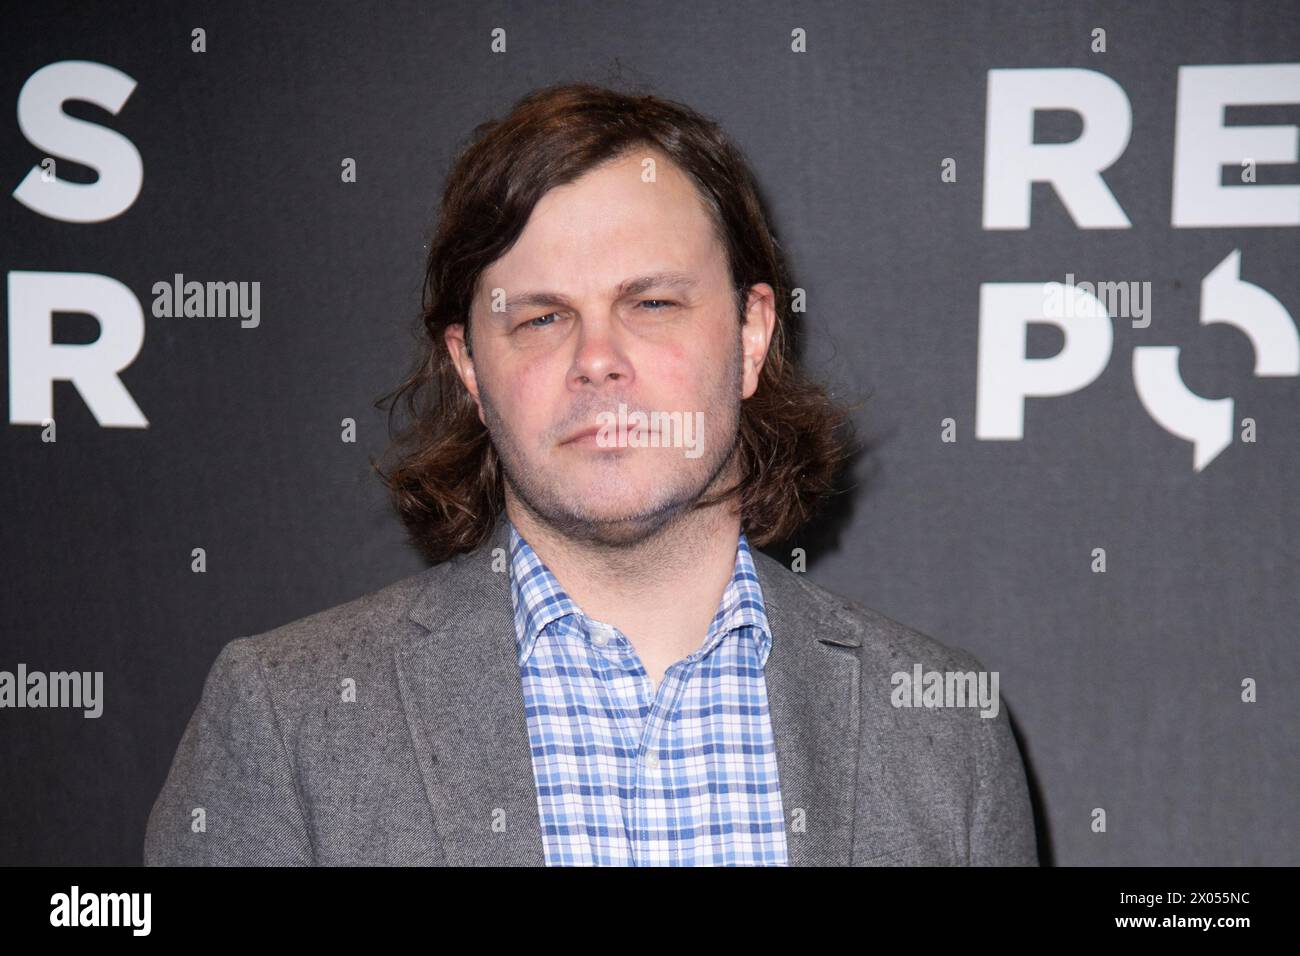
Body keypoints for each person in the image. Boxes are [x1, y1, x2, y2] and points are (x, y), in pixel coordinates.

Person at [144, 82, 1038, 866]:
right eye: (539, 319)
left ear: (751, 335)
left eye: (651, 304)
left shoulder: (940, 731)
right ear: (469, 369)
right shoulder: (288, 720)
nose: (597, 360)